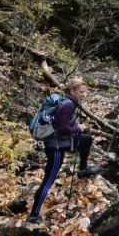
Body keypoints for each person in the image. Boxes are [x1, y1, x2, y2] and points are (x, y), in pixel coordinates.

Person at [27, 78, 101, 225]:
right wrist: (78, 128)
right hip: (56, 147)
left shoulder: (66, 101)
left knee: (86, 139)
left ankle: (83, 169)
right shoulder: (68, 105)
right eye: (81, 92)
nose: (84, 94)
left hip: (61, 142)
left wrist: (78, 130)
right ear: (72, 91)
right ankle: (34, 214)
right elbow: (63, 129)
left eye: (86, 91)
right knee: (48, 180)